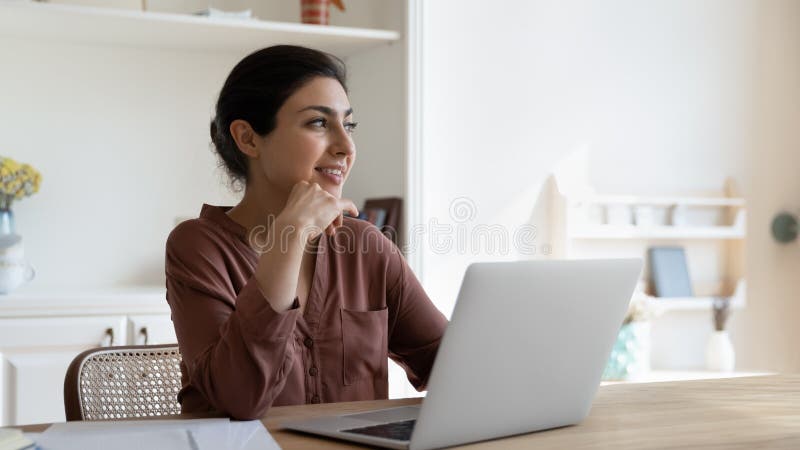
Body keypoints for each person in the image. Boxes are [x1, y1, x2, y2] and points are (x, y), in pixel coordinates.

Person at [164, 45, 448, 420]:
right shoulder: (198, 247)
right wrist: (291, 232)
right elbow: (240, 399)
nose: (346, 147)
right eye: (318, 123)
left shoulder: (366, 246)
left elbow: (453, 366)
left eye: (348, 125)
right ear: (248, 138)